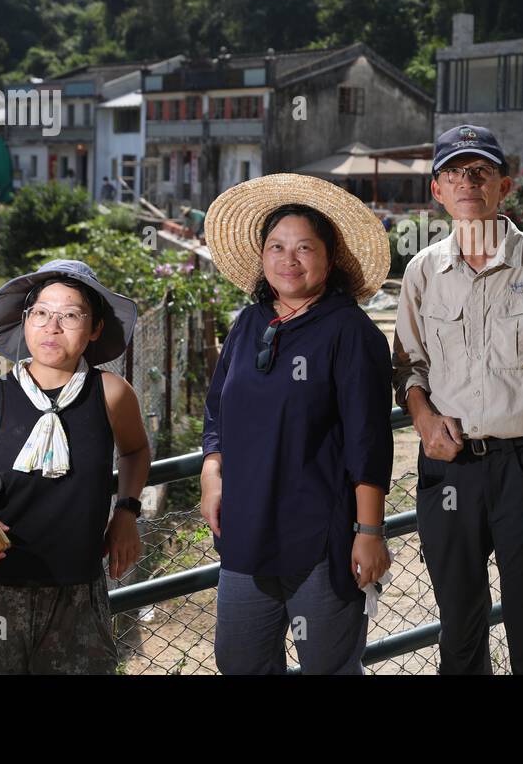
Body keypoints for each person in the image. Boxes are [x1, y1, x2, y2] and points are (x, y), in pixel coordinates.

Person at [393, 124, 523, 674]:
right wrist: (424, 416)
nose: (467, 182)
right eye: (453, 172)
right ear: (436, 190)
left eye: (480, 171)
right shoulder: (422, 271)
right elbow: (409, 364)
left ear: (505, 184)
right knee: (458, 628)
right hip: (449, 473)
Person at [0, 260, 149, 674]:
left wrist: (126, 510)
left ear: (94, 329)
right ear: (25, 321)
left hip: (76, 592)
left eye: (70, 315)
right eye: (40, 313)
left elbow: (135, 451)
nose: (51, 327)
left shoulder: (111, 395)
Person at [200, 174, 394, 675]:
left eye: (305, 248)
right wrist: (211, 473)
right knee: (240, 661)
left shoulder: (350, 333)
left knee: (327, 667)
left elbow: (368, 441)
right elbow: (217, 408)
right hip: (246, 532)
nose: (289, 259)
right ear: (262, 257)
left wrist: (369, 531)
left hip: (321, 540)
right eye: (277, 246)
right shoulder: (249, 324)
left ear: (330, 261)